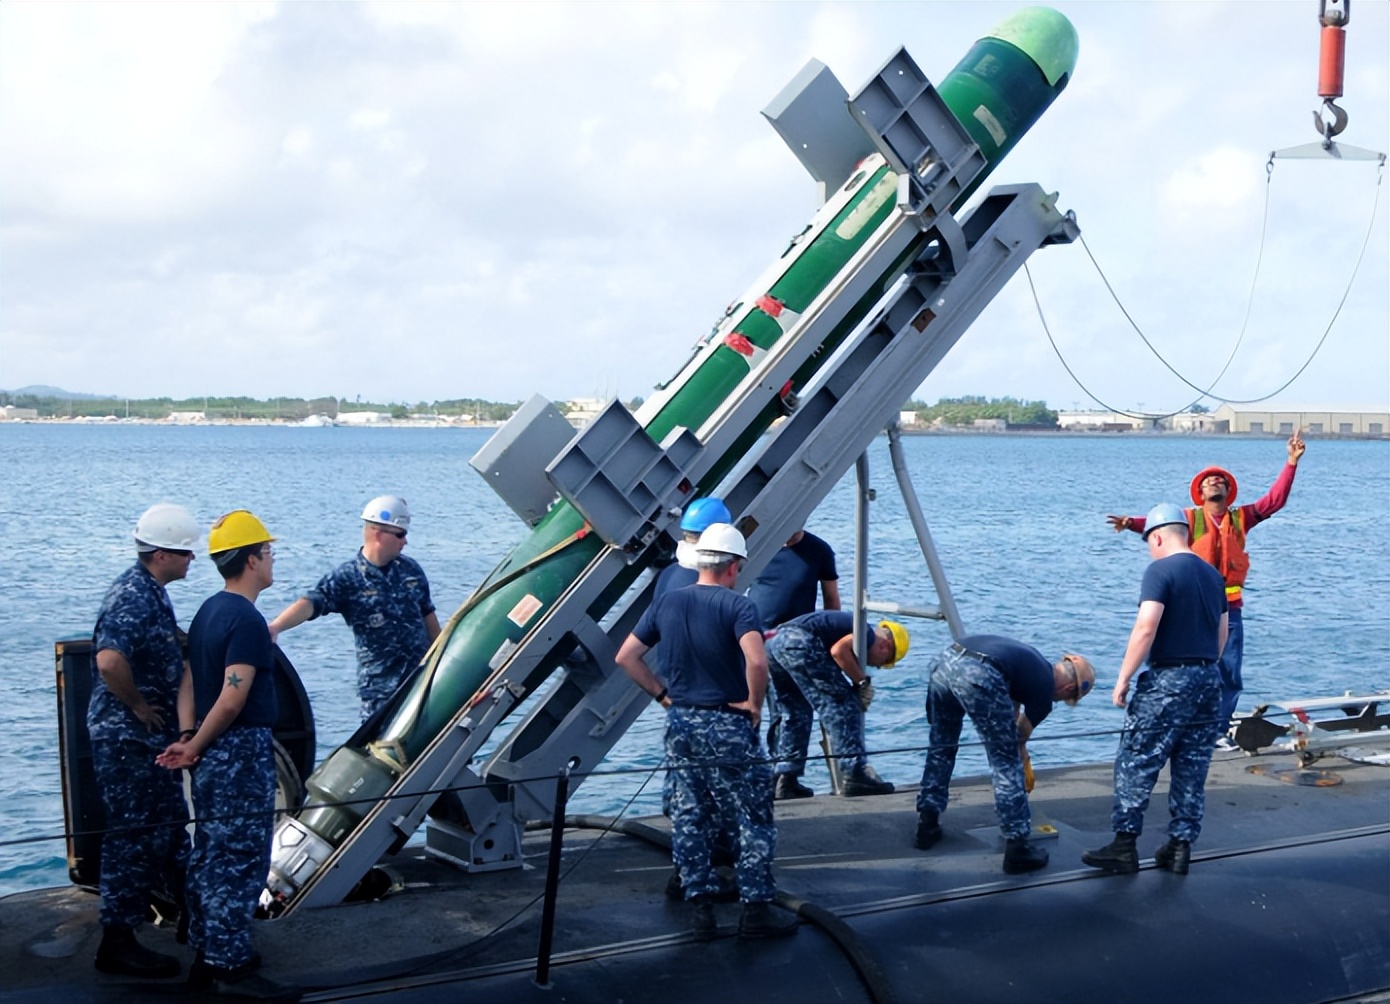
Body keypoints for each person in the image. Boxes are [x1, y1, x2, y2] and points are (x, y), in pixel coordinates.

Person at [615, 523, 797, 941]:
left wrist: (663, 696)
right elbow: (756, 661)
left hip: (682, 722)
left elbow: (626, 656)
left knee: (690, 814)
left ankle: (699, 908)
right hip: (727, 721)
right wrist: (753, 704)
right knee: (751, 815)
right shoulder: (739, 607)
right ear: (733, 566)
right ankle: (755, 908)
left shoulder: (668, 603)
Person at [157, 511, 301, 1003]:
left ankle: (206, 949)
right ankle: (229, 966)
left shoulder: (207, 612)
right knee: (239, 861)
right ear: (252, 559)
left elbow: (191, 683)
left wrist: (188, 735)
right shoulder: (246, 620)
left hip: (213, 751)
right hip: (239, 752)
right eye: (268, 551)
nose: (272, 558)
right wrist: (194, 743)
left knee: (211, 853)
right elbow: (232, 696)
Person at [1107, 432, 1304, 743]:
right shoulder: (1188, 518)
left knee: (1228, 674)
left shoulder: (1242, 518)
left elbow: (1273, 501)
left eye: (1219, 481)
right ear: (1199, 492)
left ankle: (1215, 731)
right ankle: (1181, 726)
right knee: (1182, 668)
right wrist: (1131, 523)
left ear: (1228, 491)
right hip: (1191, 608)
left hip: (1230, 609)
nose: (1214, 483)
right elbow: (1158, 527)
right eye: (1208, 481)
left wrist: (1291, 462)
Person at [1083, 503, 1228, 877]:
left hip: (1169, 679)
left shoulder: (1159, 570)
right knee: (1192, 765)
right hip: (1209, 678)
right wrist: (1204, 666)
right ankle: (1179, 847)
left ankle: (1124, 844)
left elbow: (1146, 627)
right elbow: (1222, 633)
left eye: (1150, 541)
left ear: (1159, 536)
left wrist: (1123, 678)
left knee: (1137, 758)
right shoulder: (1213, 576)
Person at [89, 504, 199, 979]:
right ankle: (117, 941)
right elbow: (109, 661)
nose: (191, 560)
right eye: (184, 553)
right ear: (160, 555)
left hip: (145, 741)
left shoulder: (152, 594)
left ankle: (192, 915)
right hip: (126, 740)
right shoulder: (134, 596)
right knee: (131, 839)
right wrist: (136, 706)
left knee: (171, 826)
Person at [915, 635, 1096, 874]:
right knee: (1006, 762)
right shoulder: (1044, 692)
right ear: (1068, 688)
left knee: (942, 746)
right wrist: (1023, 763)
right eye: (1066, 698)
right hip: (978, 674)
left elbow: (1010, 704)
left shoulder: (1032, 661)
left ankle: (927, 825)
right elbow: (1019, 738)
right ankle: (1017, 846)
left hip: (945, 661)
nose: (1060, 700)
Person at [269, 495, 440, 720]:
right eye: (400, 534)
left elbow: (429, 618)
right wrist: (276, 627)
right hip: (381, 694)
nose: (405, 541)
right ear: (378, 534)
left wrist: (441, 660)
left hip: (421, 684)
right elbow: (311, 603)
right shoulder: (348, 578)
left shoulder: (411, 570)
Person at [765, 612, 907, 799]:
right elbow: (839, 652)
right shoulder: (866, 633)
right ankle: (854, 772)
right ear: (885, 646)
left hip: (775, 643)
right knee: (843, 704)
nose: (878, 666)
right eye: (885, 662)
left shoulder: (850, 625)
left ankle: (785, 778)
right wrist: (862, 683)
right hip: (800, 642)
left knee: (795, 712)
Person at [746, 528, 840, 628]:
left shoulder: (820, 550)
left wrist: (831, 633)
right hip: (756, 630)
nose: (788, 537)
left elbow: (831, 599)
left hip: (798, 633)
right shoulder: (757, 546)